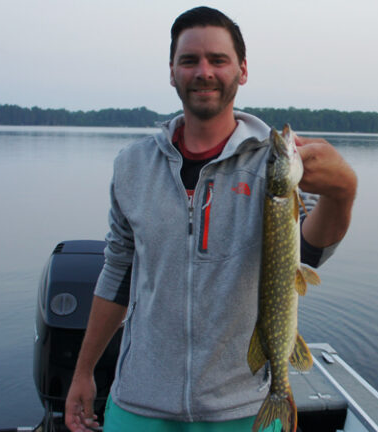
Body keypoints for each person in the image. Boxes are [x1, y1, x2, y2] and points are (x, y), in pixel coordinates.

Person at [64, 6, 357, 432]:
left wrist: (343, 192)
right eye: (190, 60)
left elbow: (310, 251)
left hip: (244, 407)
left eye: (218, 60)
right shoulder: (132, 166)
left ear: (241, 70)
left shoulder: (268, 167)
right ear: (172, 72)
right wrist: (83, 370)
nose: (204, 71)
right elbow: (118, 273)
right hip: (139, 401)